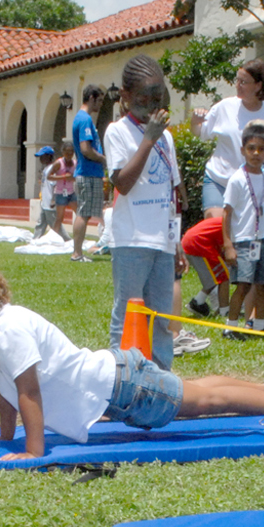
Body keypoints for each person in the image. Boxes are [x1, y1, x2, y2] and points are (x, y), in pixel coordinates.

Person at [0, 260, 264, 458]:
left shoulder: (7, 332)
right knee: (198, 391)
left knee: (205, 402)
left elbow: (28, 393)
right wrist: (2, 437)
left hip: (121, 389)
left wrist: (32, 450)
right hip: (116, 379)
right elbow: (6, 392)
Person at [104, 54, 181, 369]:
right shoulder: (117, 132)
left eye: (157, 98)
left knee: (161, 314)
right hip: (132, 239)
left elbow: (172, 191)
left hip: (162, 241)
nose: (152, 105)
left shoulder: (169, 138)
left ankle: (161, 372)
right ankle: (120, 371)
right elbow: (122, 183)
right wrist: (148, 140)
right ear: (124, 96)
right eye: (142, 99)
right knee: (128, 311)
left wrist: (176, 240)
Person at [190, 59, 264, 223]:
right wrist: (195, 122)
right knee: (216, 225)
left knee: (241, 236)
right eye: (237, 80)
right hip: (219, 180)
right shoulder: (225, 107)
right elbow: (200, 133)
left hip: (250, 187)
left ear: (258, 85)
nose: (237, 85)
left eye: (243, 82)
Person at [221, 119, 264, 339]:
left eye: (262, 149)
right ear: (243, 150)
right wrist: (228, 244)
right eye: (251, 148)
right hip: (243, 241)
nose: (256, 153)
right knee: (243, 285)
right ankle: (231, 326)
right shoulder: (237, 179)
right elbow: (227, 213)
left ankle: (258, 325)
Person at [70, 85, 107, 262]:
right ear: (91, 98)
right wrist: (102, 158)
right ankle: (77, 253)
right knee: (83, 213)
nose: (100, 104)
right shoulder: (84, 119)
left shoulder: (81, 118)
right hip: (88, 172)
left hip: (88, 172)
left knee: (84, 212)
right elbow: (86, 148)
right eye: (99, 100)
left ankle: (77, 252)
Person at [182, 214, 229, 319]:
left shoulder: (228, 220)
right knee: (224, 277)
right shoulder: (233, 224)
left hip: (193, 241)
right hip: (199, 243)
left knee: (216, 276)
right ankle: (225, 311)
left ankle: (198, 302)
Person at [31, 146, 63, 240]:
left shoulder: (53, 169)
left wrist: (53, 200)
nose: (40, 158)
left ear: (49, 156)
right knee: (40, 223)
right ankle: (35, 240)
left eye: (43, 156)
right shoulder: (46, 169)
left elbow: (56, 185)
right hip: (44, 203)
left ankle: (67, 240)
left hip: (50, 204)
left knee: (56, 227)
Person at [48, 141, 77, 237]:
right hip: (60, 193)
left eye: (71, 152)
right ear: (63, 152)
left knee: (80, 214)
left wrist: (72, 178)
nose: (69, 154)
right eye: (67, 151)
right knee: (59, 218)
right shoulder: (58, 163)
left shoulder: (75, 163)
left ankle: (78, 235)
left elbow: (76, 177)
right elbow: (49, 176)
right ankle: (53, 237)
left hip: (71, 192)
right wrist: (63, 177)